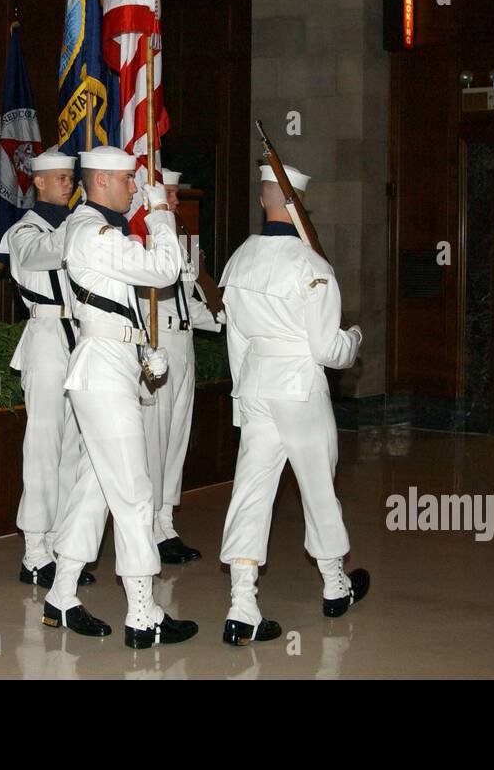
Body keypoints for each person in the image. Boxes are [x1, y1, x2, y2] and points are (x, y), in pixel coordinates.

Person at [42, 145, 199, 649]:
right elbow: (164, 270)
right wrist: (160, 215)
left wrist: (144, 350)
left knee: (95, 488)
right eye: (129, 181)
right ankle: (143, 613)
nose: (135, 188)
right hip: (101, 373)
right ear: (104, 181)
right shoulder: (92, 231)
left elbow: (123, 302)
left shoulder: (97, 229)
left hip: (112, 365)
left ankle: (61, 595)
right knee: (134, 494)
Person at [216, 162, 368, 647]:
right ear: (298, 205)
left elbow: (236, 342)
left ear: (264, 201)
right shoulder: (313, 268)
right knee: (318, 488)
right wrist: (355, 338)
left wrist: (243, 397)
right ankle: (333, 585)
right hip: (300, 389)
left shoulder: (237, 261)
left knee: (251, 493)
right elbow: (327, 350)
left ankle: (242, 605)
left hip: (257, 385)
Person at [0, 150, 94, 591]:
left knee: (73, 447)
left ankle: (59, 544)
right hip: (47, 337)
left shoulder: (72, 225)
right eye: (59, 178)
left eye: (71, 179)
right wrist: (82, 223)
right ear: (37, 183)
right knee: (43, 446)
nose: (68, 185)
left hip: (81, 337)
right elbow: (41, 259)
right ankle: (35, 549)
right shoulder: (24, 231)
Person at [141, 168, 223, 565]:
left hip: (184, 344)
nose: (175, 203)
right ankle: (150, 529)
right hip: (158, 347)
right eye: (169, 195)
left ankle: (166, 523)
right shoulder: (142, 244)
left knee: (176, 439)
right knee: (154, 443)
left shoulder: (181, 243)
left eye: (174, 195)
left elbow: (193, 303)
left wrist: (231, 318)